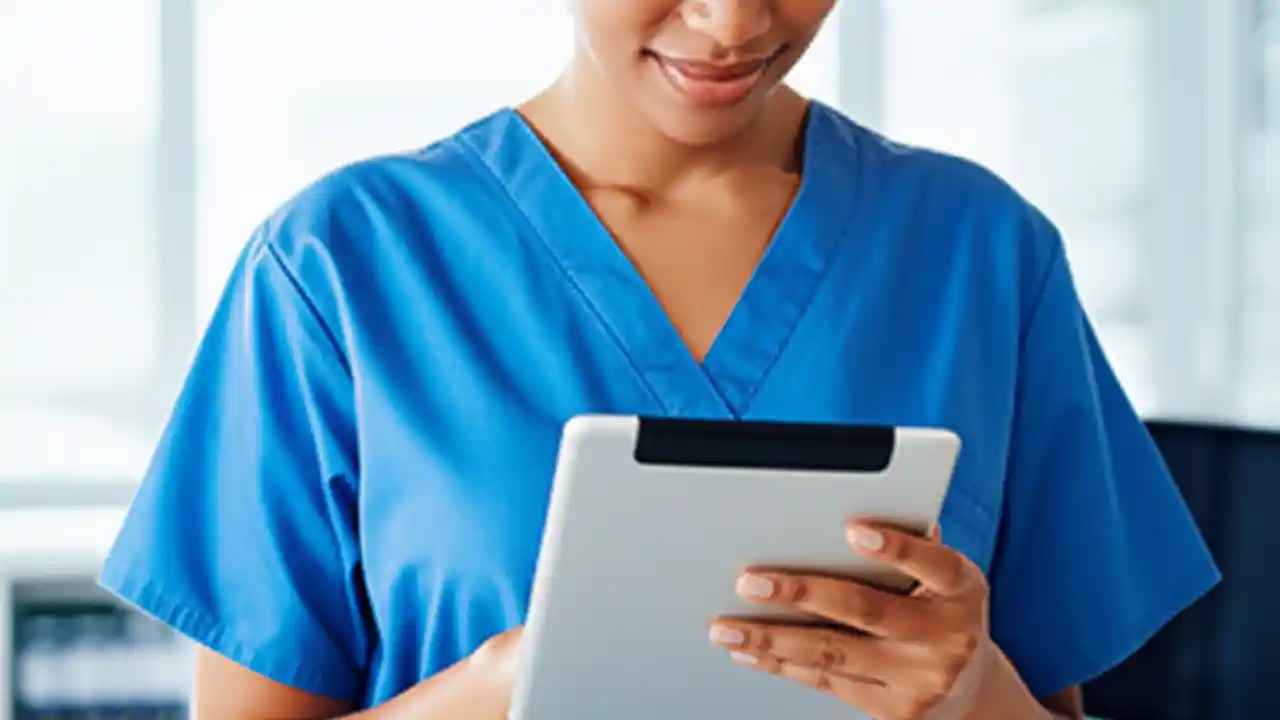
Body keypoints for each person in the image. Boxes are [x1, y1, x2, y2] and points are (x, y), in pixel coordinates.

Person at [100, 1, 1221, 718]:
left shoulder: (979, 251)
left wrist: (974, 695)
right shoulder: (341, 262)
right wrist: (492, 694)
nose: (732, 22)